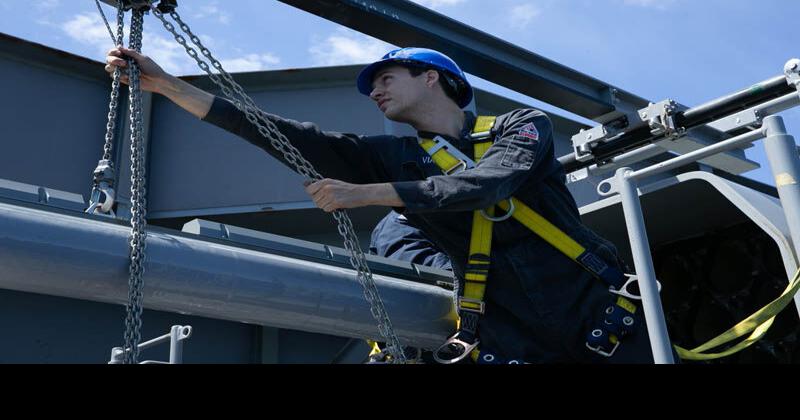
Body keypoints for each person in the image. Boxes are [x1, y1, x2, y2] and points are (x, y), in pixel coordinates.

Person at [105, 46, 655, 363]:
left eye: (386, 79)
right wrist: (170, 86)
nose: (375, 92)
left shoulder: (521, 126)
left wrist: (365, 194)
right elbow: (282, 134)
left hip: (603, 319)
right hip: (517, 341)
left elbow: (489, 186)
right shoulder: (394, 156)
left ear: (432, 77)